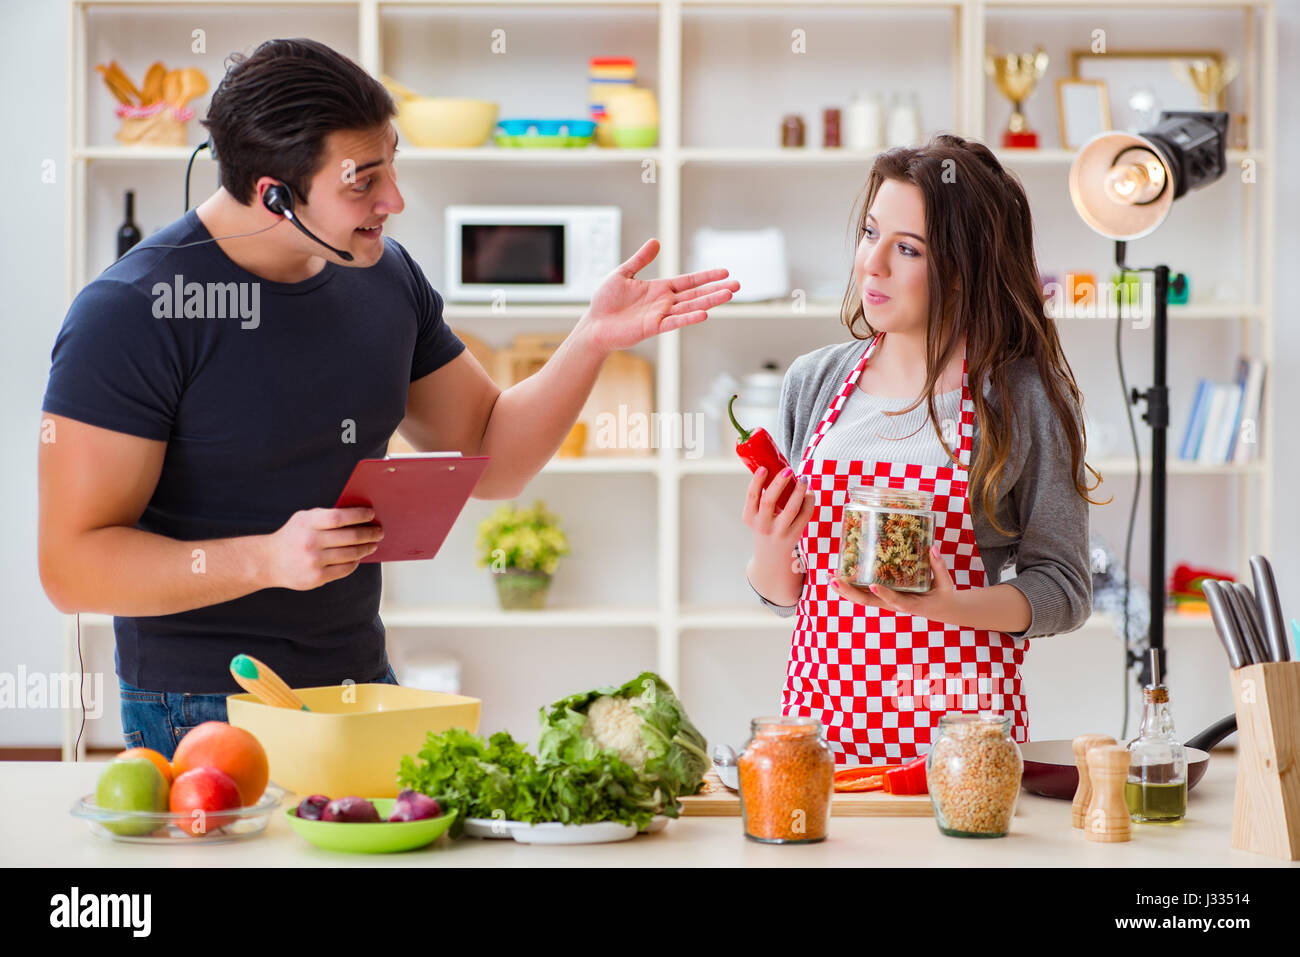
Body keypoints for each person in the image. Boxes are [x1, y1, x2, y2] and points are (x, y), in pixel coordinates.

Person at [38, 38, 738, 758]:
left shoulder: (381, 274)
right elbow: (71, 566)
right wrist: (267, 559)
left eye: (392, 163)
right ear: (273, 192)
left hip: (360, 680)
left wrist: (592, 338)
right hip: (203, 706)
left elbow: (493, 457)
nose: (395, 200)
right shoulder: (131, 311)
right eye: (363, 181)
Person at [742, 133, 1102, 766]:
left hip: (963, 748)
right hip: (823, 737)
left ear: (966, 269)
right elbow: (789, 598)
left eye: (906, 248)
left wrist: (951, 606)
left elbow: (1065, 589)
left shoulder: (1022, 399)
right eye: (869, 233)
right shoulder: (814, 382)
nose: (871, 265)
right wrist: (771, 548)